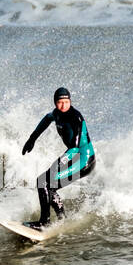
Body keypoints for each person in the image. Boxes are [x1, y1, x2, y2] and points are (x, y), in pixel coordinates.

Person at [20, 87, 96, 229]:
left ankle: (44, 222)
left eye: (66, 102)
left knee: (44, 183)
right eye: (60, 102)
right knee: (46, 184)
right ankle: (62, 219)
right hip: (74, 157)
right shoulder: (56, 114)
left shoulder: (76, 117)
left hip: (84, 160)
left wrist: (59, 163)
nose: (63, 105)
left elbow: (75, 147)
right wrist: (32, 139)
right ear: (55, 103)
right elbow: (46, 119)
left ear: (70, 101)